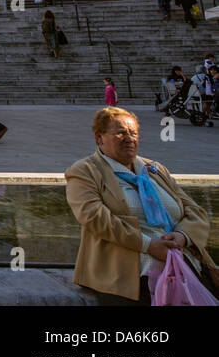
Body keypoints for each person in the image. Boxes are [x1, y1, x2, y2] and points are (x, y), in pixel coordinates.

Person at [65, 107, 218, 304]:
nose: (129, 138)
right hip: (128, 273)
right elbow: (94, 217)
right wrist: (149, 245)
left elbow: (195, 212)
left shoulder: (154, 169)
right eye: (120, 133)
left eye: (133, 133)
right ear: (99, 137)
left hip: (184, 263)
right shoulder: (85, 171)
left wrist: (182, 236)